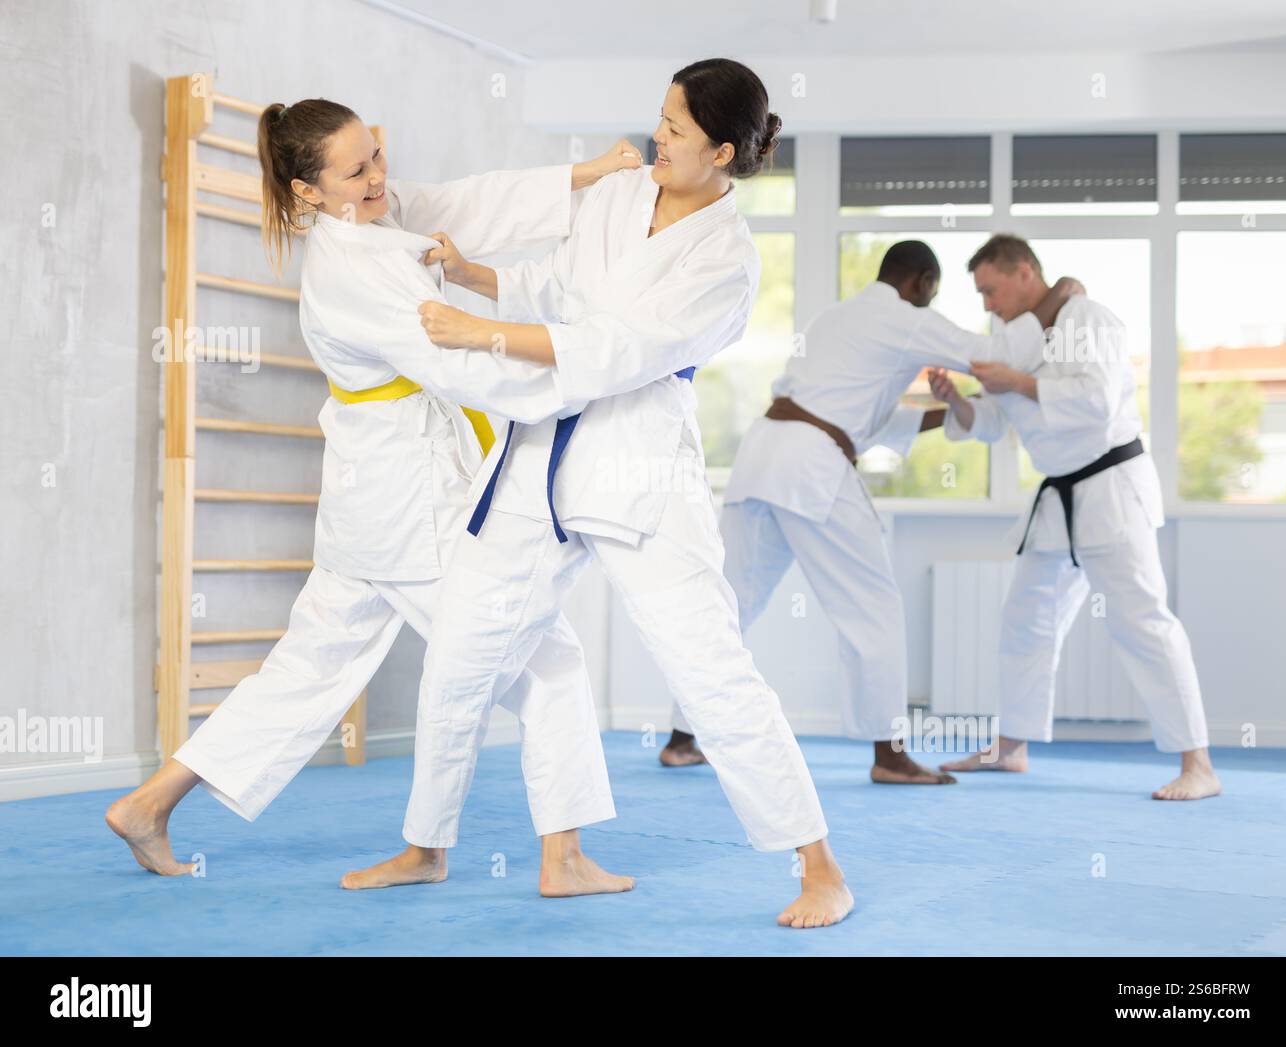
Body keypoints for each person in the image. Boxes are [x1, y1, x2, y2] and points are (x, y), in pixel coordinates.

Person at [351, 58, 854, 929]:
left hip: (637, 463)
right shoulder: (623, 196)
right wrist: (476, 277)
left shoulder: (728, 262)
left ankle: (819, 867)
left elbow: (621, 347)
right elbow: (559, 286)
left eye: (677, 131)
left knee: (710, 669)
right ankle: (428, 844)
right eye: (660, 118)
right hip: (537, 450)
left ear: (724, 152)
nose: (656, 138)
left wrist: (483, 334)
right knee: (462, 649)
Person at [107, 97, 643, 897]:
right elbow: (459, 364)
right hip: (410, 507)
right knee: (544, 660)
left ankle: (149, 801)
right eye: (356, 171)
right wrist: (586, 375)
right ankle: (543, 856)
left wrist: (589, 173)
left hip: (372, 502)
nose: (378, 178)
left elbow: (471, 200)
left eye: (377, 157)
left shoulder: (376, 221)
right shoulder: (353, 266)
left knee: (309, 667)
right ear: (308, 192)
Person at [661, 240, 1080, 782]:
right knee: (875, 607)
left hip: (763, 456)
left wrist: (952, 408)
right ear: (921, 283)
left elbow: (866, 415)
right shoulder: (901, 316)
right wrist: (1059, 298)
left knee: (731, 603)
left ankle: (680, 737)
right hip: (812, 464)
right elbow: (992, 353)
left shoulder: (836, 318)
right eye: (933, 293)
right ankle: (890, 755)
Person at [930, 234, 1220, 801]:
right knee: (1026, 616)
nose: (987, 304)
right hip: (1058, 499)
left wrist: (1015, 381)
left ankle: (1198, 763)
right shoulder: (1010, 338)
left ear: (1024, 273)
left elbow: (1096, 400)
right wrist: (958, 400)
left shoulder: (1088, 318)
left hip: (1110, 485)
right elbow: (993, 422)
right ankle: (1011, 747)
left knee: (1142, 621)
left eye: (991, 290)